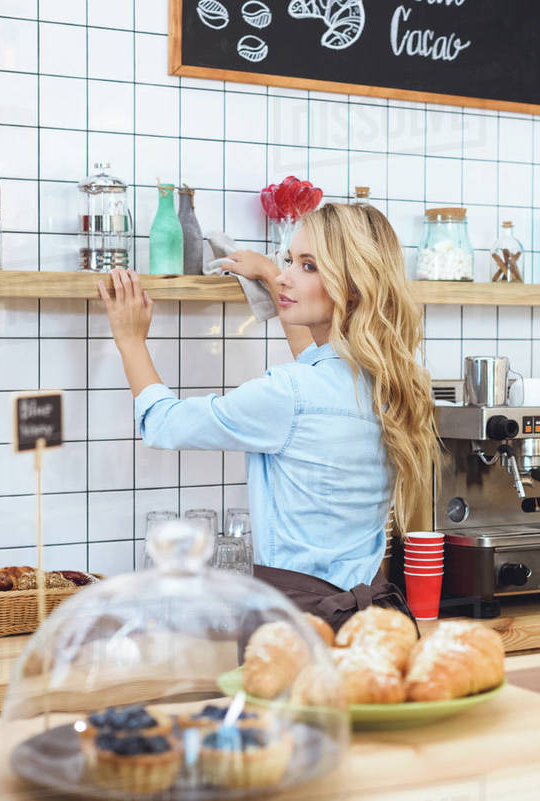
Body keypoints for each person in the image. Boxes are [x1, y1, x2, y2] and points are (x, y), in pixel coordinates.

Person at [99, 202, 438, 627]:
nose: (285, 276)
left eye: (308, 266)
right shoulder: (387, 380)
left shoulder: (290, 393)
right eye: (289, 261)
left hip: (300, 622)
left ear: (352, 287)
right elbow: (313, 369)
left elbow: (163, 423)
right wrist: (266, 273)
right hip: (374, 623)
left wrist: (131, 340)